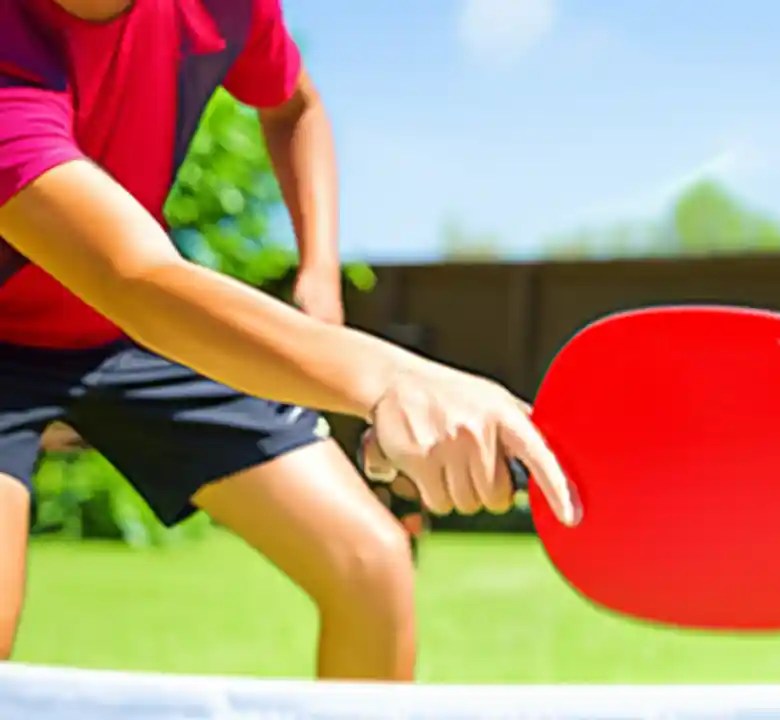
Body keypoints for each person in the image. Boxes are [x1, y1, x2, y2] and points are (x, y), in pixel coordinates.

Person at [0, 0, 579, 682]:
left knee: (373, 563)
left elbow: (295, 107)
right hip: (91, 318)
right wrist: (389, 378)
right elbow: (133, 277)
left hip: (130, 337)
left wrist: (320, 272)